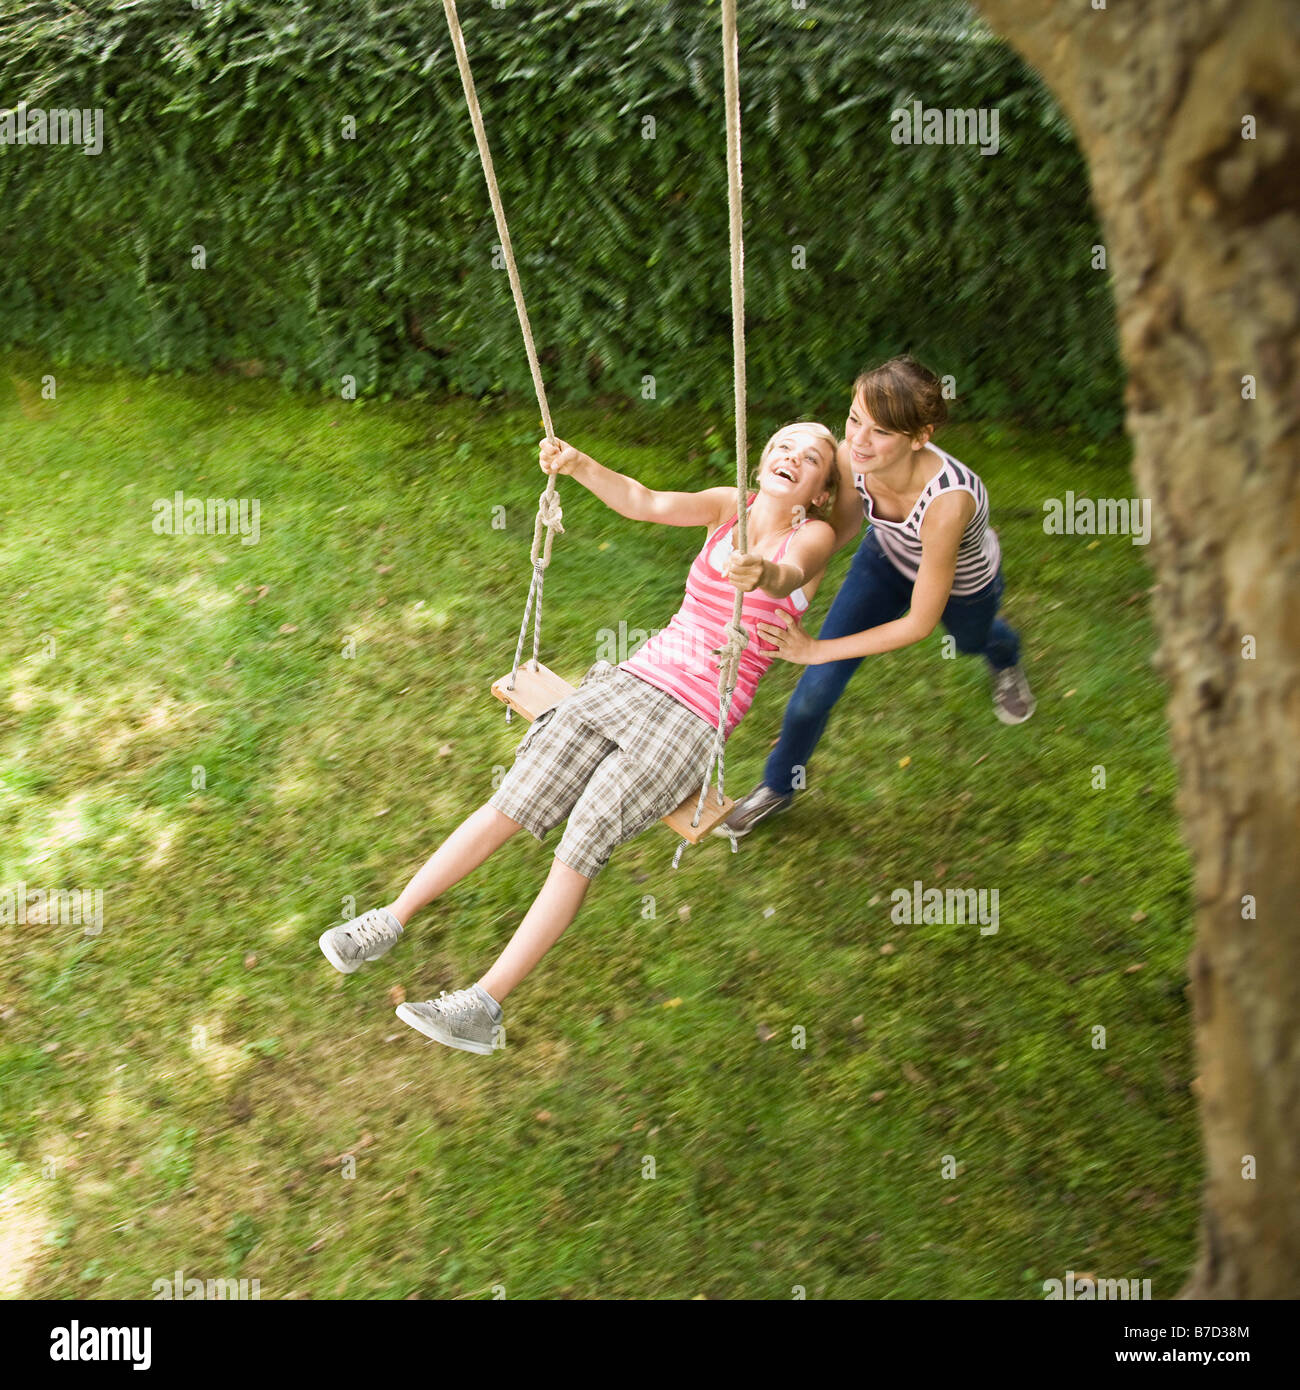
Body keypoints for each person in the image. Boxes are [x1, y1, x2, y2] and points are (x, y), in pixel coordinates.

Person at [318, 423, 839, 1053]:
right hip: (629, 682)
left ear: (818, 490)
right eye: (785, 446)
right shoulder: (730, 506)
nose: (792, 458)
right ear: (762, 461)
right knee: (512, 800)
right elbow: (644, 500)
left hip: (693, 720)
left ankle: (482, 1005)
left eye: (811, 458)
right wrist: (580, 464)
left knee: (581, 840)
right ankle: (388, 920)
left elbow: (789, 575)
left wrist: (763, 574)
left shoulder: (812, 535)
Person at [721, 355, 1036, 840]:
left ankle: (1004, 654)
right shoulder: (852, 456)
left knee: (973, 641)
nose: (859, 441)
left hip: (963, 584)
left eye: (881, 431)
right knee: (814, 692)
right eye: (854, 420)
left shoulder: (947, 502)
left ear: (920, 436)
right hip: (884, 562)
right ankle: (778, 787)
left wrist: (814, 650)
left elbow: (918, 624)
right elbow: (841, 529)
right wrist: (783, 573)